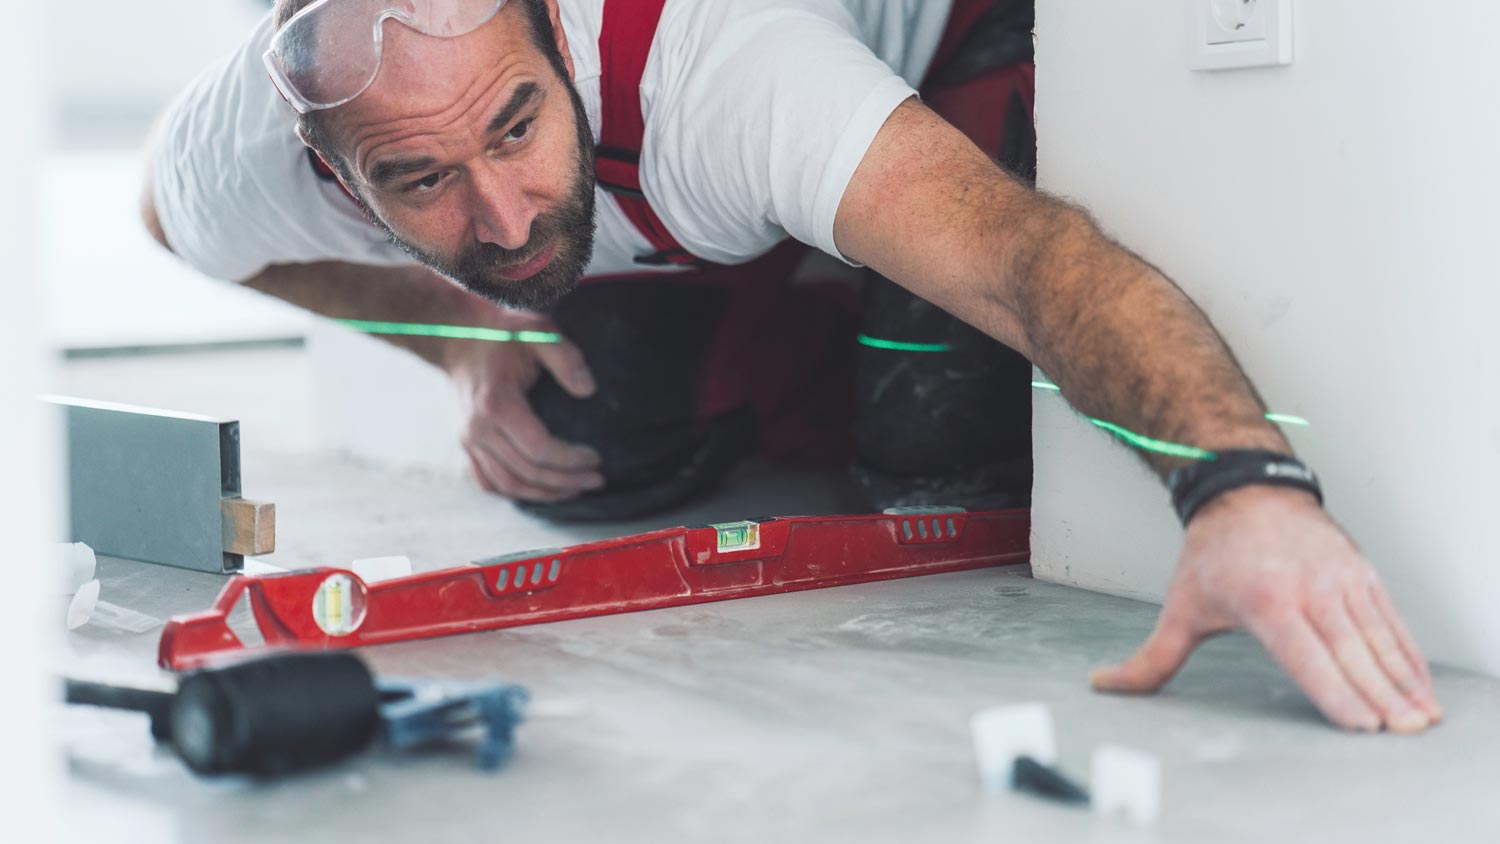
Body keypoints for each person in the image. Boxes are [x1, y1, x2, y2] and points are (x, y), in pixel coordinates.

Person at [141, 0, 1443, 733]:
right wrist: (460, 340)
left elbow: (1024, 262)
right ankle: (806, 319)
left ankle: (861, 300)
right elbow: (167, 226)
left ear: (555, 35)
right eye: (420, 181)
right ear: (330, 176)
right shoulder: (253, 143)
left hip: (941, 43)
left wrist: (1244, 491)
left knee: (934, 454)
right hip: (702, 196)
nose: (499, 217)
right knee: (602, 444)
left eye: (515, 125)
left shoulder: (725, 72)